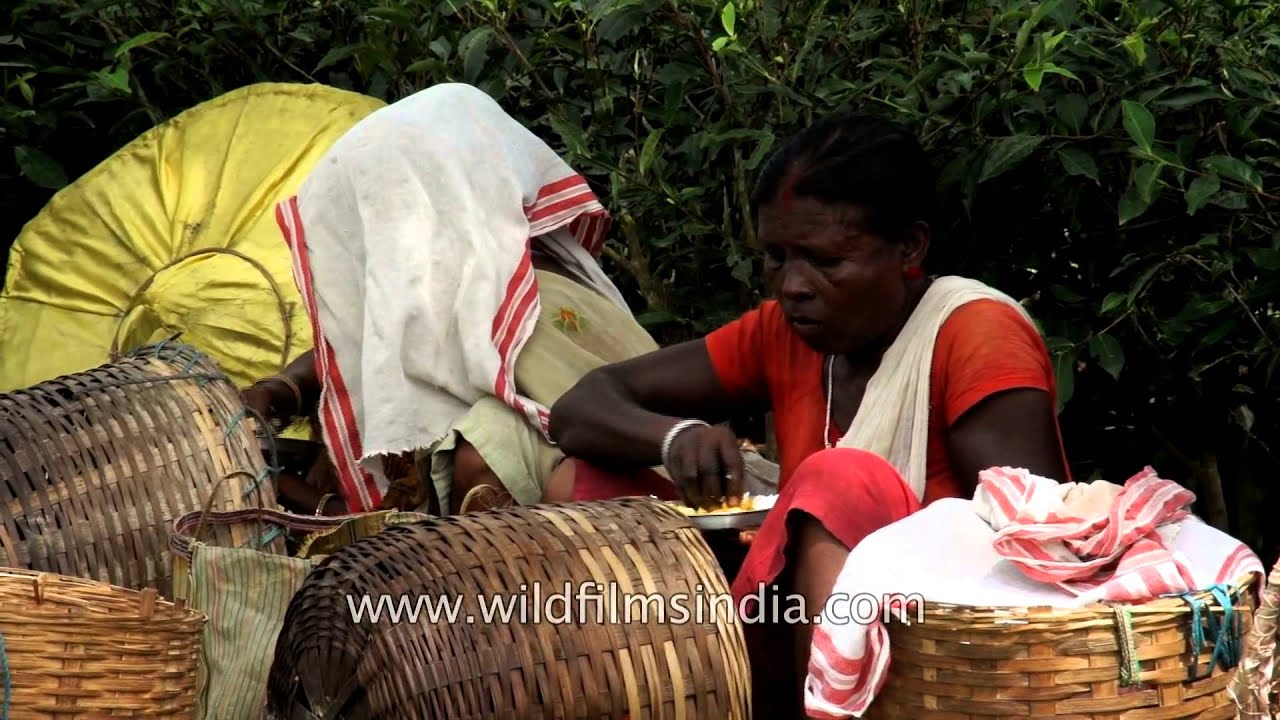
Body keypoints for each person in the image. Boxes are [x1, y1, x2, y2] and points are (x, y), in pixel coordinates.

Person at [547, 109, 1071, 716]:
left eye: (824, 260)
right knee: (584, 482)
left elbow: (1038, 550)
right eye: (776, 257)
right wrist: (675, 439)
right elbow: (581, 408)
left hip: (936, 655)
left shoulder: (977, 333)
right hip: (788, 623)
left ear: (910, 247)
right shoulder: (785, 331)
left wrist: (847, 530)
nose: (792, 284)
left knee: (836, 477)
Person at [246, 82, 675, 517]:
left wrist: (297, 500)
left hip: (586, 549)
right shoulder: (502, 283)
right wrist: (285, 387)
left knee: (484, 444)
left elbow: (414, 531)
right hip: (678, 504)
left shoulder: (510, 313)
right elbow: (374, 351)